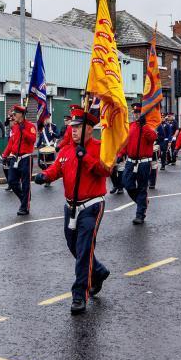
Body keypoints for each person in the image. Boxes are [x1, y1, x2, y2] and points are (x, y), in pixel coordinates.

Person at [34, 105, 111, 315]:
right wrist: (45, 176)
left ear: (89, 128)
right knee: (73, 246)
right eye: (72, 126)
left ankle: (79, 295)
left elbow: (106, 170)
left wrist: (84, 156)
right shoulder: (68, 149)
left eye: (78, 126)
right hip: (71, 207)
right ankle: (99, 271)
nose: (73, 129)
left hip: (92, 205)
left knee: (84, 249)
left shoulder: (99, 146)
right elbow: (57, 168)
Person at [122, 103, 157, 224]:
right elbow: (125, 143)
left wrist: (144, 126)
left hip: (143, 163)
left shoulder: (149, 126)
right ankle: (142, 202)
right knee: (127, 183)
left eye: (139, 113)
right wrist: (119, 154)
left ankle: (140, 214)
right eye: (135, 113)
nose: (136, 115)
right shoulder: (130, 126)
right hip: (131, 162)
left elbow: (152, 138)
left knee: (142, 188)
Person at [3, 104, 37, 215]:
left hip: (26, 158)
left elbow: (32, 140)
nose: (13, 116)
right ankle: (25, 198)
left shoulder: (30, 126)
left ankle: (24, 207)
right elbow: (11, 142)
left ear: (21, 114)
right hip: (14, 157)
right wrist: (5, 155)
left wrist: (24, 131)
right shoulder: (15, 127)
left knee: (26, 184)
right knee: (12, 181)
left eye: (15, 114)